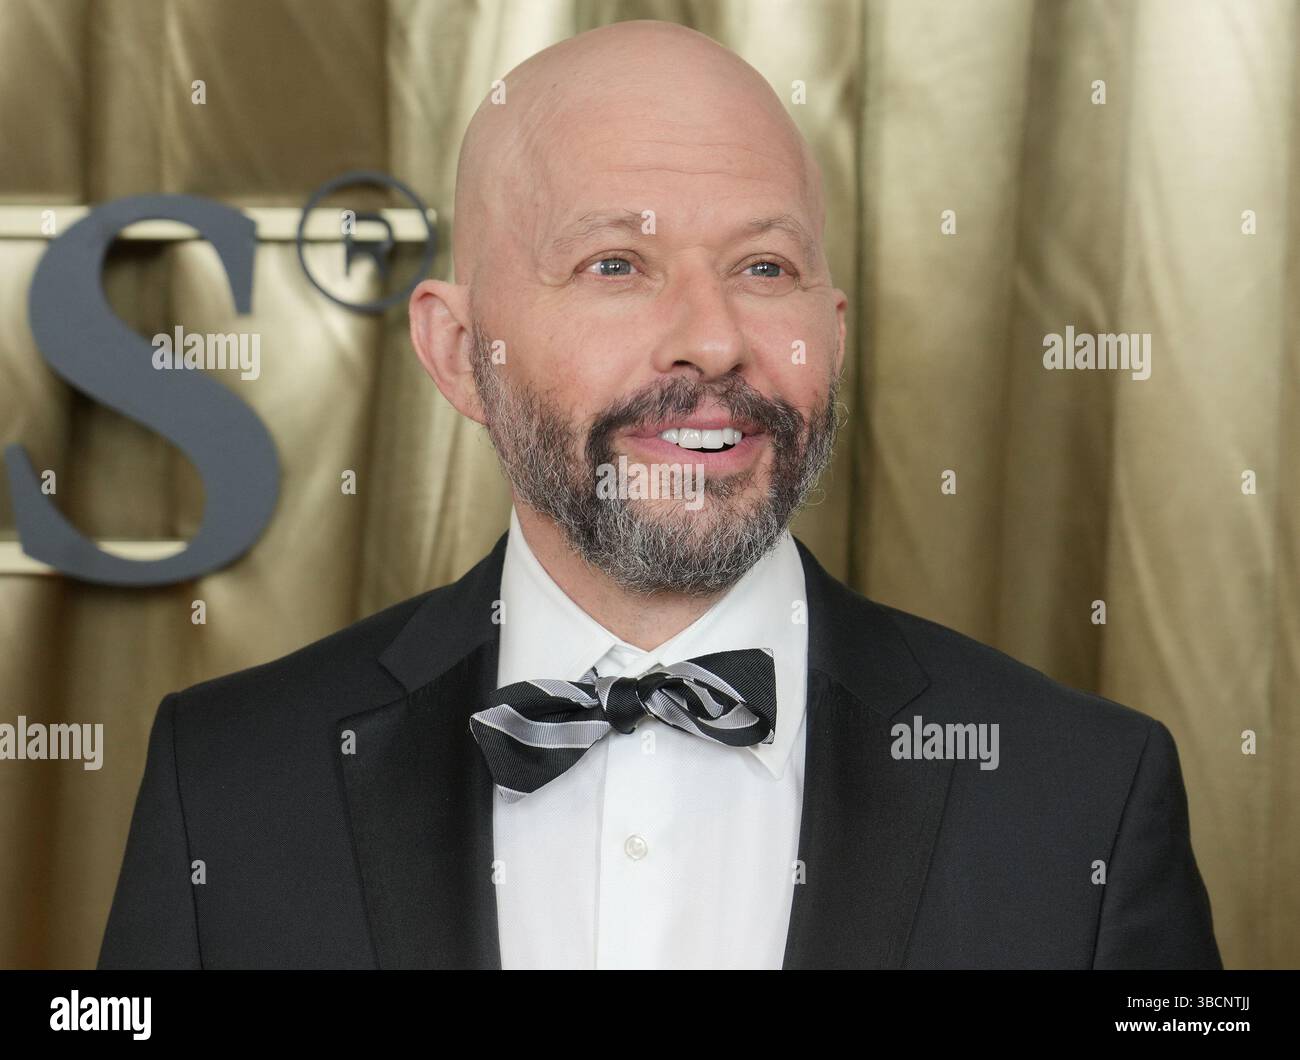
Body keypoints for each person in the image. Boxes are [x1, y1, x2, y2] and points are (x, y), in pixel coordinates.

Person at [99, 20, 1221, 969]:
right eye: (616, 267)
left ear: (831, 330)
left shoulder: (1087, 795)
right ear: (457, 351)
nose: (713, 340)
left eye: (763, 267)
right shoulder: (232, 778)